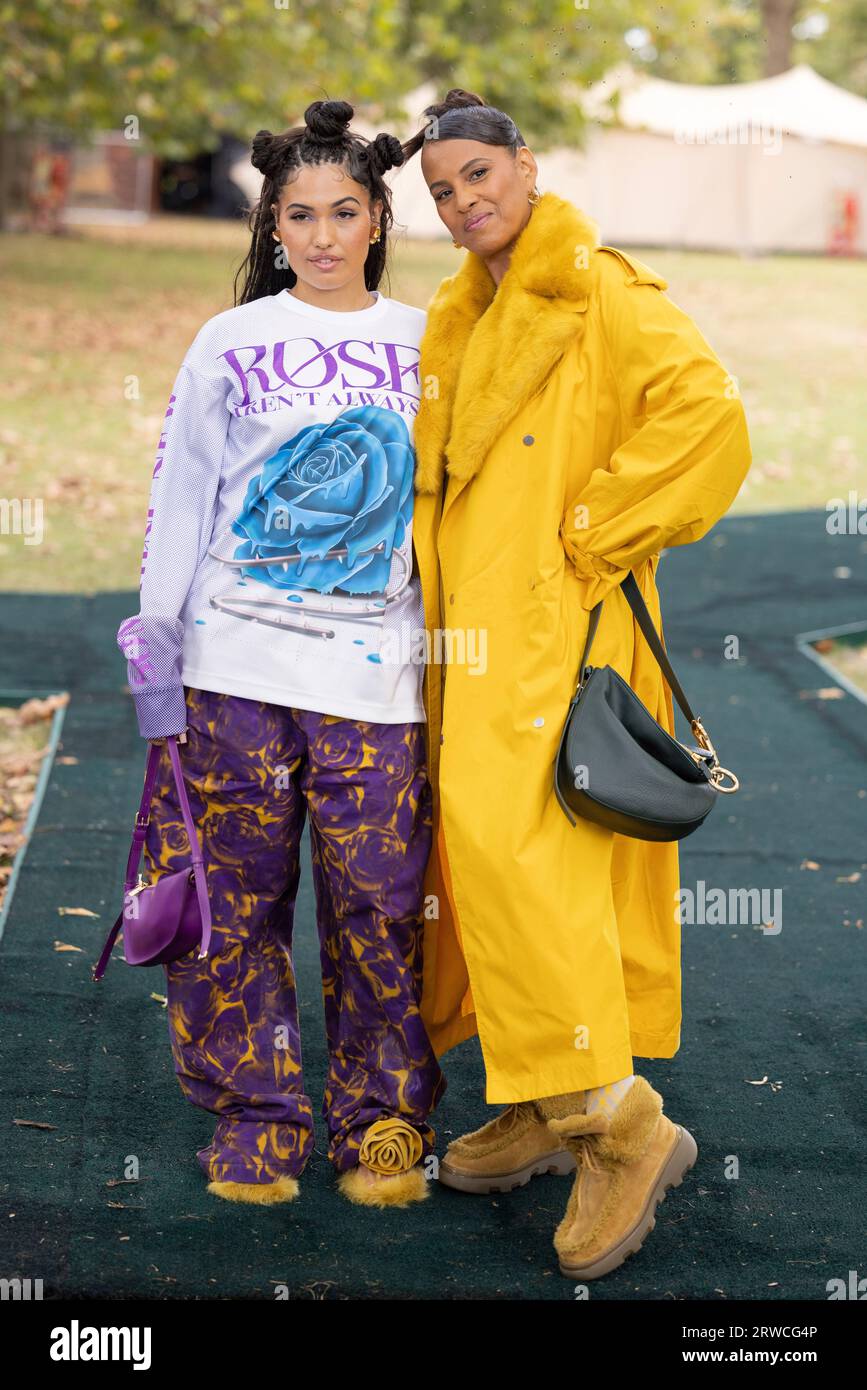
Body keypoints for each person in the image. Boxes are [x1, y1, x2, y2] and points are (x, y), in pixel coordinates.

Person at [401, 89, 752, 1278]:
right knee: (481, 859)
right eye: (441, 192)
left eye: (475, 176)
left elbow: (709, 419)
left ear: (525, 165)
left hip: (559, 630)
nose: (461, 203)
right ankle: (541, 1093)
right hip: (467, 643)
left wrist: (588, 535)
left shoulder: (598, 286)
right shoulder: (458, 312)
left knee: (525, 860)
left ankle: (618, 1125)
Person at [116, 99, 445, 1208]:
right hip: (233, 674)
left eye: (342, 210)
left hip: (377, 679)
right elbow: (182, 497)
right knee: (238, 906)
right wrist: (157, 643)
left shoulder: (428, 340)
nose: (318, 233)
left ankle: (383, 1115)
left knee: (380, 909)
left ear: (376, 219)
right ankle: (259, 1109)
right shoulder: (229, 341)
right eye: (295, 213)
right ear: (269, 226)